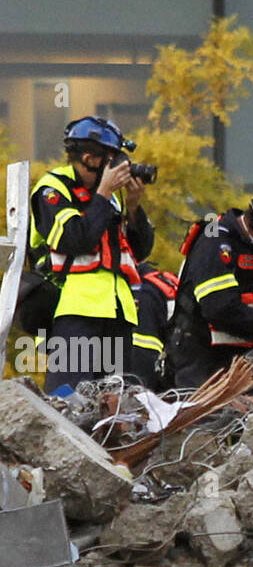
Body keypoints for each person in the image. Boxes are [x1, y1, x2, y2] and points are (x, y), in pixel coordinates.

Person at [29, 115, 153, 393]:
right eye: (112, 160)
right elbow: (75, 239)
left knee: (114, 406)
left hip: (118, 312)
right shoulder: (53, 188)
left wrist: (133, 208)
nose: (118, 169)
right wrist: (105, 191)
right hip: (73, 310)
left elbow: (140, 251)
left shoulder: (108, 197)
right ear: (90, 158)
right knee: (69, 397)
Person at [167, 185, 253, 388]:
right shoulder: (214, 238)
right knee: (210, 419)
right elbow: (218, 306)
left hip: (238, 362)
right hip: (200, 362)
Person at [128, 262, 178, 390]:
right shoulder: (159, 284)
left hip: (142, 381)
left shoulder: (143, 291)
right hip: (172, 375)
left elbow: (142, 354)